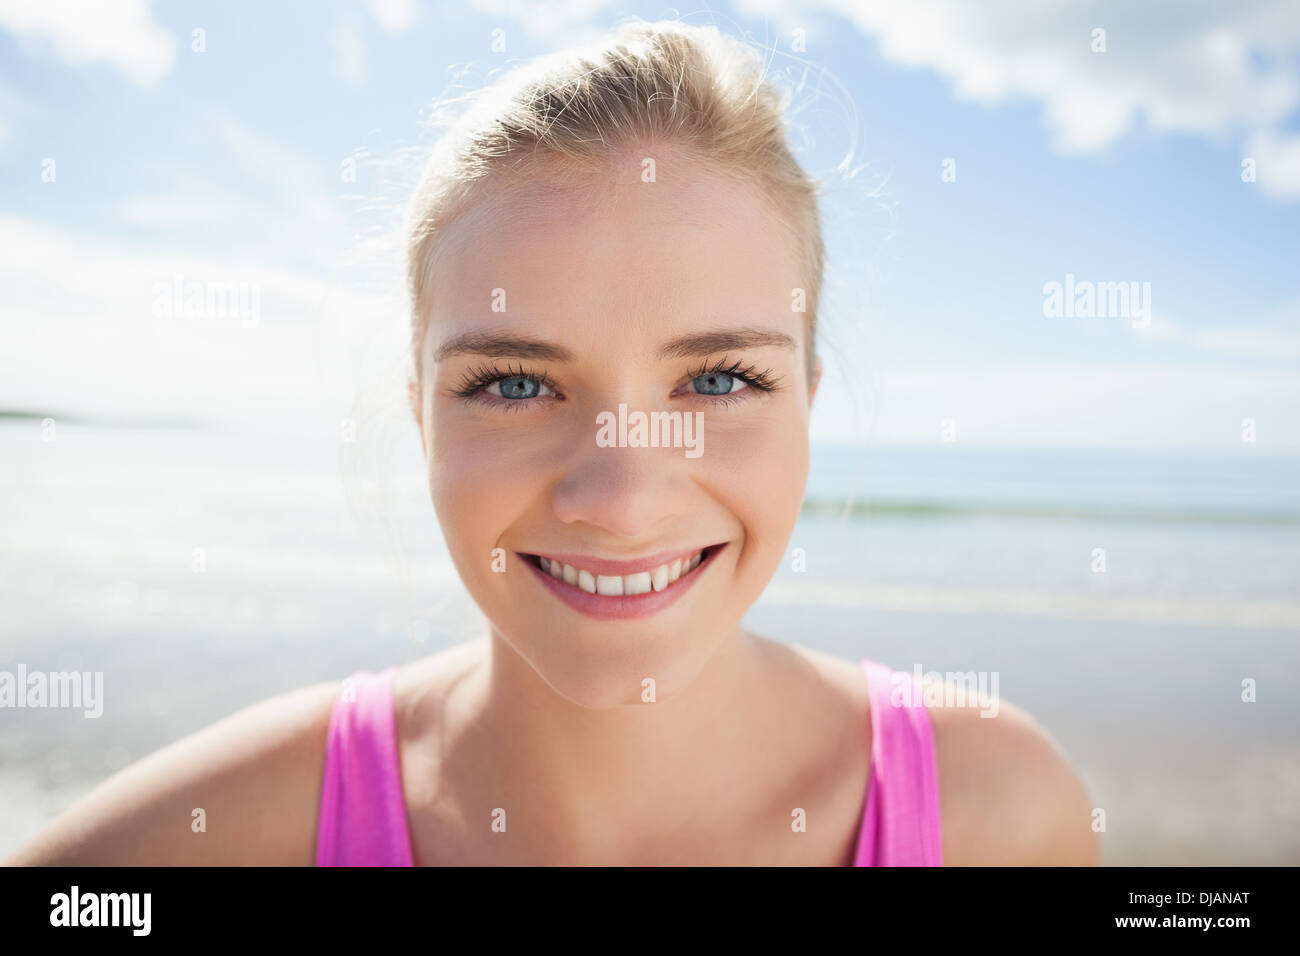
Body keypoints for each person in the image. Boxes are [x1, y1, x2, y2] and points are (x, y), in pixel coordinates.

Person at [6, 19, 1098, 867]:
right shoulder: (217, 833)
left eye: (719, 378)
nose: (620, 496)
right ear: (421, 412)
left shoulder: (997, 809)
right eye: (515, 382)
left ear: (806, 400)